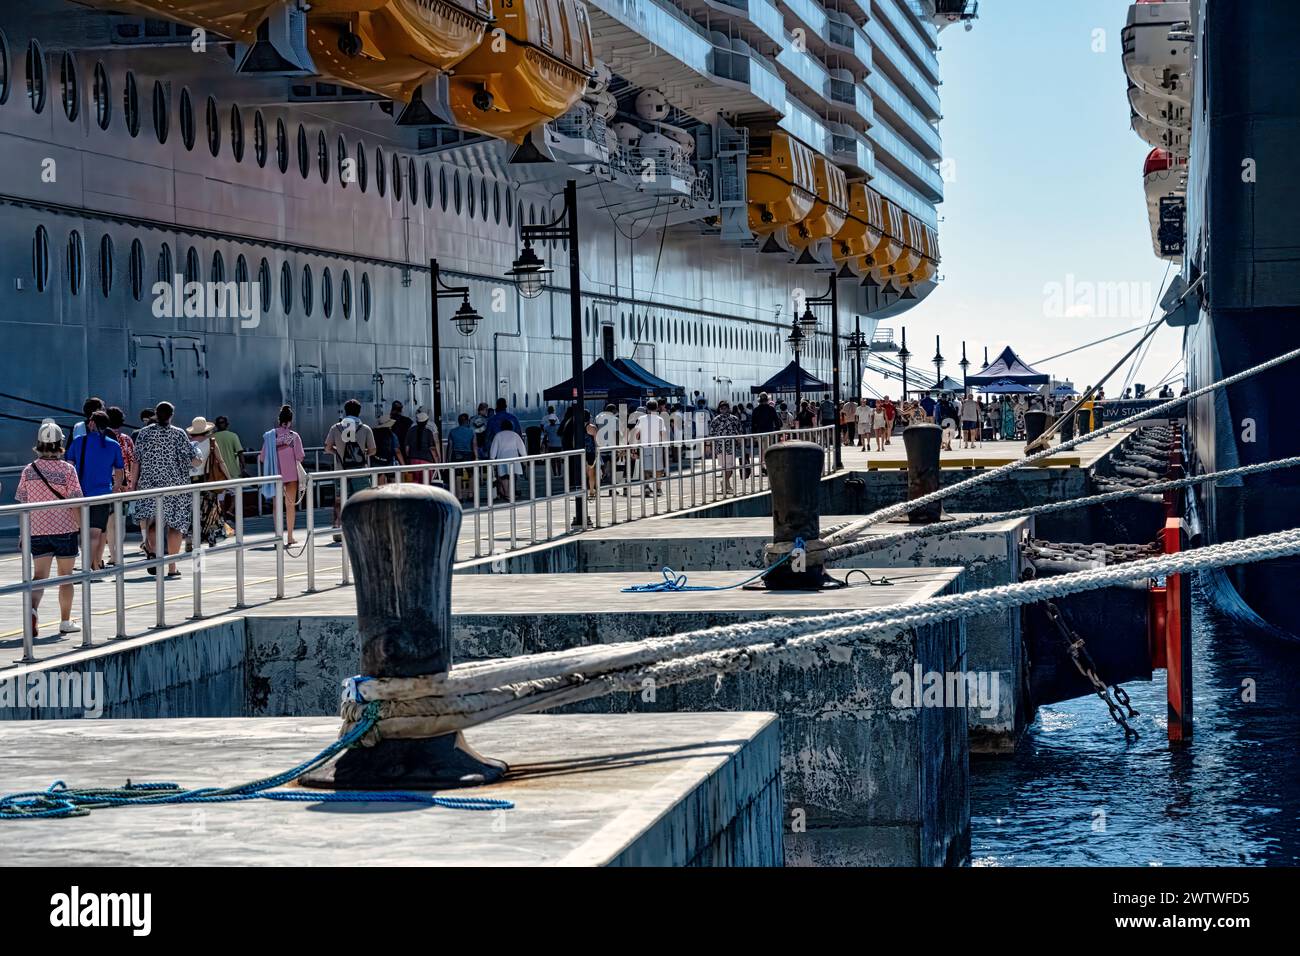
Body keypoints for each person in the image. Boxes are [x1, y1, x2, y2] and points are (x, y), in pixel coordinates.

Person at [16, 421, 83, 635]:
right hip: (65, 530)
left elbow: (23, 504)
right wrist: (81, 529)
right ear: (60, 444)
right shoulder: (67, 470)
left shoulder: (29, 470)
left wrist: (22, 532)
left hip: (37, 530)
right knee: (66, 577)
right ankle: (65, 621)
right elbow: (75, 503)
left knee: (39, 576)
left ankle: (33, 611)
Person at [130, 401, 200, 577]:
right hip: (175, 486)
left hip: (149, 485)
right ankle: (172, 567)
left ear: (156, 414)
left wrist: (133, 485)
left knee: (153, 524)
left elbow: (136, 461)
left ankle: (155, 556)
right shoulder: (179, 434)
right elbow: (193, 460)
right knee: (175, 527)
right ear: (171, 415)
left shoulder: (144, 433)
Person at [65, 408, 124, 572]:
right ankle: (91, 565)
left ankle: (90, 565)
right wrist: (116, 488)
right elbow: (119, 471)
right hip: (103, 494)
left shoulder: (78, 442)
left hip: (79, 494)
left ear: (91, 423)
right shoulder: (113, 445)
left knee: (85, 532)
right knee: (97, 532)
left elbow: (69, 465)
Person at [324, 399, 377, 536]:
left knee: (340, 500)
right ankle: (363, 531)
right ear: (359, 412)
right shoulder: (365, 429)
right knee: (362, 500)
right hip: (360, 472)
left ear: (345, 411)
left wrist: (337, 452)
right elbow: (373, 450)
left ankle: (338, 530)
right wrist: (362, 454)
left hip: (341, 471)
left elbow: (327, 447)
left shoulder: (335, 428)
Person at [258, 405, 305, 545]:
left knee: (276, 506)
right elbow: (300, 456)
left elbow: (262, 457)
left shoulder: (270, 436)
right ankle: (290, 537)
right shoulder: (294, 436)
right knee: (290, 506)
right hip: (291, 476)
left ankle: (278, 536)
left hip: (275, 476)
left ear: (279, 420)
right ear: (290, 421)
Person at [187, 416, 232, 546]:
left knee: (191, 509)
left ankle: (191, 537)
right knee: (211, 508)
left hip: (189, 481)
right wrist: (229, 479)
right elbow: (221, 461)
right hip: (207, 480)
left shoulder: (186, 443)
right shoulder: (211, 442)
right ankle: (211, 537)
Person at [102, 406, 136, 566]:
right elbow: (131, 461)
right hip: (124, 486)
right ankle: (119, 552)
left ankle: (113, 554)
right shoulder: (126, 439)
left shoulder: (103, 439)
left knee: (110, 522)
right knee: (121, 521)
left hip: (108, 484)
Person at [632, 399, 668, 496]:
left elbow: (636, 433)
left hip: (645, 446)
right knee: (658, 468)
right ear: (656, 408)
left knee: (646, 468)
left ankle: (647, 487)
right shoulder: (660, 419)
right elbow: (662, 433)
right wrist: (665, 445)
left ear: (646, 408)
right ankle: (658, 488)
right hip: (657, 446)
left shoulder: (641, 419)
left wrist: (634, 446)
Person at [211, 415, 244, 519]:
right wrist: (243, 467)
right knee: (237, 494)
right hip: (233, 471)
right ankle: (231, 510)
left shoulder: (212, 438)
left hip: (219, 473)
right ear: (227, 425)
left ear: (216, 425)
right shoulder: (233, 436)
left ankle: (223, 517)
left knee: (220, 497)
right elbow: (240, 452)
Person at [489, 419, 528, 499]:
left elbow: (493, 450)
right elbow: (522, 448)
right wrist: (524, 459)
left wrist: (492, 459)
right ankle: (510, 493)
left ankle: (506, 493)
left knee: (504, 476)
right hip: (513, 459)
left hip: (502, 459)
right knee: (512, 476)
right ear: (511, 426)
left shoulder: (498, 435)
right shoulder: (515, 435)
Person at [709, 400, 742, 493]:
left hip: (720, 446)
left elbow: (711, 433)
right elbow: (739, 432)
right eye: (722, 408)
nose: (723, 410)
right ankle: (726, 484)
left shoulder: (716, 420)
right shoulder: (734, 419)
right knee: (729, 467)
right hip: (729, 446)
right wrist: (740, 444)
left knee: (725, 467)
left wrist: (711, 447)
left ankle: (726, 485)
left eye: (724, 408)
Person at [402, 406, 441, 482]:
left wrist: (409, 457)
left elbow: (407, 448)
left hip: (413, 460)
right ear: (426, 421)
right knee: (426, 484)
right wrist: (437, 459)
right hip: (426, 460)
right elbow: (432, 448)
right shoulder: (429, 431)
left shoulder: (410, 430)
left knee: (415, 484)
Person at [447, 412, 477, 502]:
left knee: (458, 475)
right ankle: (470, 494)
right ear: (467, 421)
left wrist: (448, 458)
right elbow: (474, 445)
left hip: (456, 454)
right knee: (471, 474)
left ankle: (459, 496)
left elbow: (450, 446)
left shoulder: (452, 431)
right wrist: (476, 457)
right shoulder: (471, 431)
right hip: (468, 453)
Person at [372, 412, 404, 484]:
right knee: (392, 481)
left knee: (380, 483)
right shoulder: (392, 435)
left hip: (376, 462)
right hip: (388, 462)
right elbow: (397, 451)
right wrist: (403, 465)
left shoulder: (374, 433)